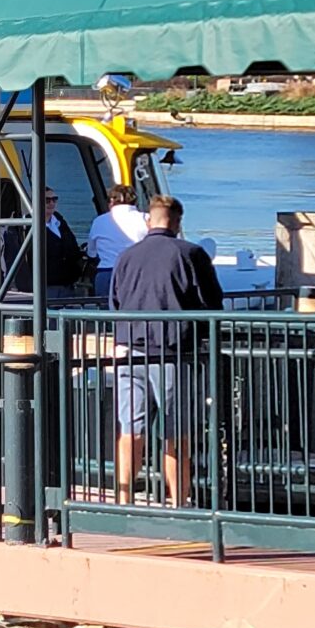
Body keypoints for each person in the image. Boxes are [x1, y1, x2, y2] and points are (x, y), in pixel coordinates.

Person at [108, 195, 222, 504]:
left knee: (130, 429)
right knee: (176, 432)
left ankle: (124, 499)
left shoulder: (127, 257)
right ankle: (178, 502)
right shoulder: (192, 254)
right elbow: (211, 304)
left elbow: (115, 302)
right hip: (174, 353)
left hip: (129, 351)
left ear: (150, 220)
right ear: (178, 222)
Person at [86, 184, 148, 304]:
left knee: (106, 317)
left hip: (107, 273)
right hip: (136, 274)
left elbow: (91, 252)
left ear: (111, 201)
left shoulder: (99, 221)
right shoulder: (146, 219)